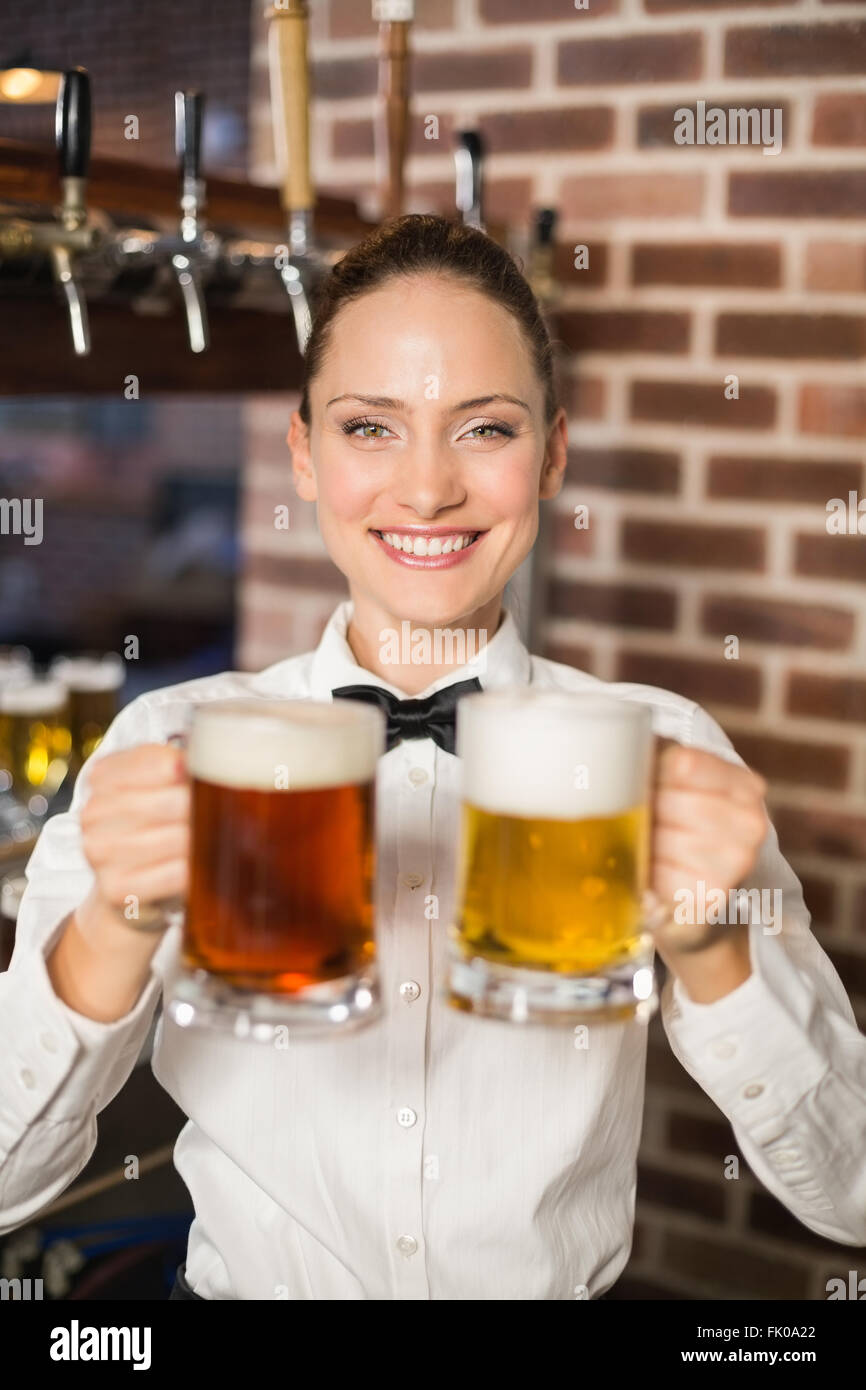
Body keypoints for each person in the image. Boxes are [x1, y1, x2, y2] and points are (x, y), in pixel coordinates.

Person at [1, 215, 864, 1301]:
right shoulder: (169, 746)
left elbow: (852, 1194)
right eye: (370, 428)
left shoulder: (662, 750)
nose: (424, 490)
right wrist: (107, 935)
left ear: (550, 454)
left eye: (483, 430)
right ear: (305, 457)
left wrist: (714, 953)